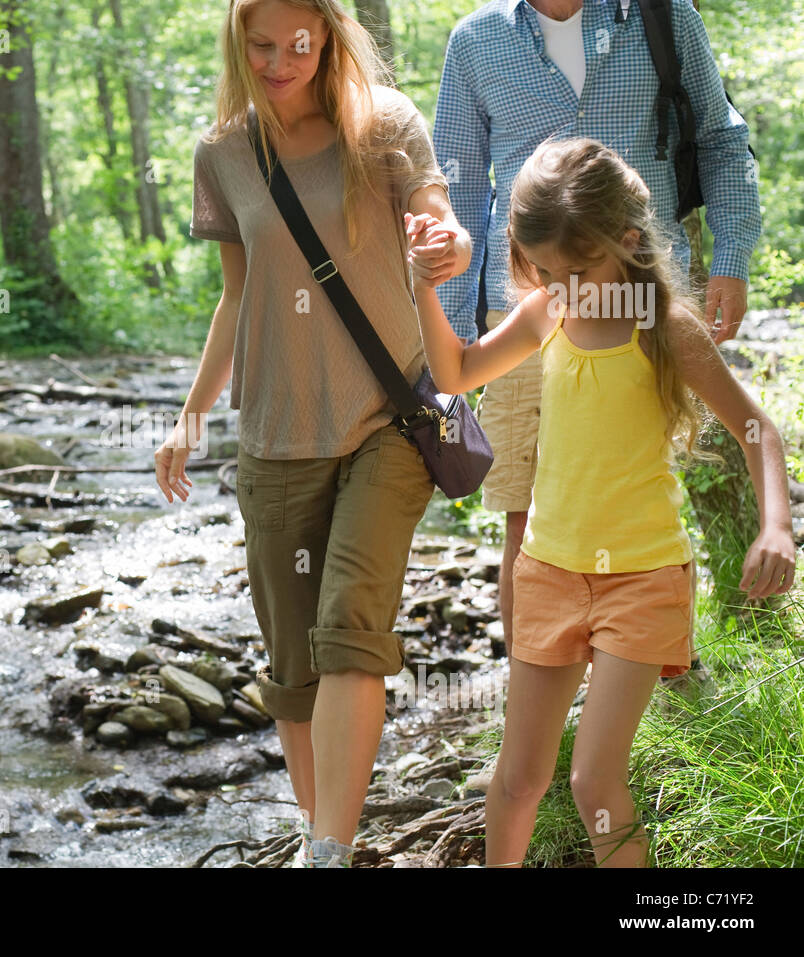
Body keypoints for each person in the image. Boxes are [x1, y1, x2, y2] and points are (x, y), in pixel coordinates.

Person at [405, 137, 795, 867]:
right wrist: (423, 286)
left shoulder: (665, 329)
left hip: (642, 578)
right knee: (519, 778)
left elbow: (756, 429)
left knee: (593, 778)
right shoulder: (548, 310)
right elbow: (454, 373)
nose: (561, 283)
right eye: (544, 269)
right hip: (548, 571)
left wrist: (776, 525)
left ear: (626, 237)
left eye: (575, 268)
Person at [154, 0, 470, 868]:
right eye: (259, 44)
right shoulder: (223, 153)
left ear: (327, 36)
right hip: (276, 434)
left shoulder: (387, 124)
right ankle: (320, 835)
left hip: (388, 423)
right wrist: (191, 413)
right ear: (237, 42)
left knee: (347, 631)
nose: (278, 59)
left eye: (297, 42)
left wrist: (445, 243)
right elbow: (235, 293)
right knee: (293, 670)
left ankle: (328, 849)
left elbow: (442, 221)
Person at [432, 0, 762, 665]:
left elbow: (721, 138)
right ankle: (544, 716)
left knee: (639, 493)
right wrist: (450, 320)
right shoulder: (476, 41)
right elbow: (460, 188)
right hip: (527, 305)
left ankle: (653, 683)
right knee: (526, 515)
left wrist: (730, 259)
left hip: (638, 302)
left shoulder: (663, 17)